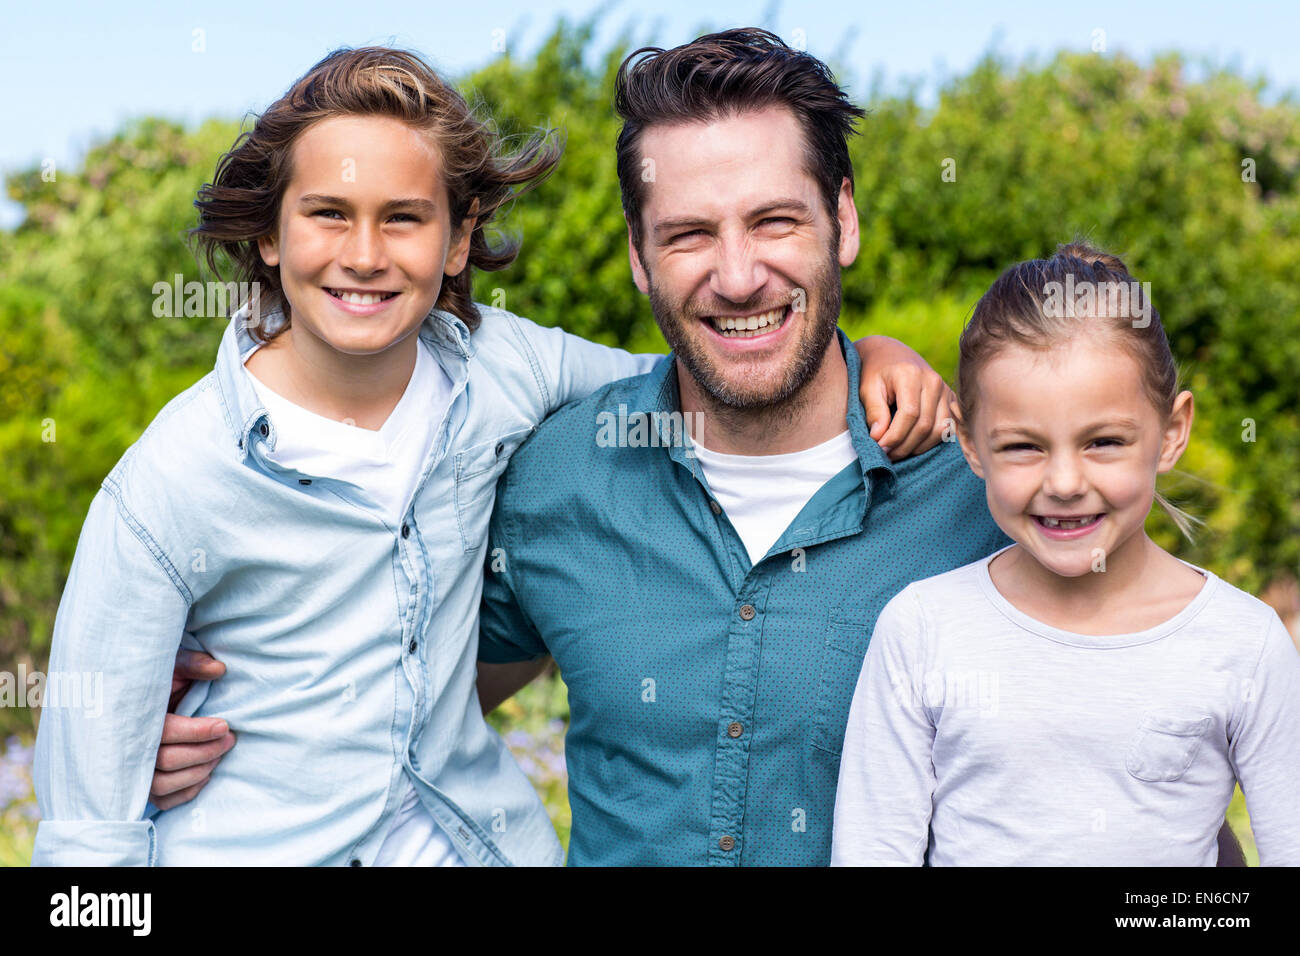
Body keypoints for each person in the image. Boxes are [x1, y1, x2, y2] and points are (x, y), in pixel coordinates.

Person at [152, 29, 1245, 866]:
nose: (735, 273)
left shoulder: (983, 493)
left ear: (843, 222)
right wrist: (187, 734)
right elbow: (401, 690)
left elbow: (1165, 772)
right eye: (687, 233)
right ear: (637, 255)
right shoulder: (553, 479)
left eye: (774, 221)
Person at [32, 45, 945, 866]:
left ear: (459, 237)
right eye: (689, 233)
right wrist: (138, 734)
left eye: (401, 217)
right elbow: (90, 816)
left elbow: (717, 364)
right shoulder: (174, 482)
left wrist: (876, 357)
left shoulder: (508, 371)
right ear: (269, 235)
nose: (363, 255)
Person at [831, 242, 1300, 866]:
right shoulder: (921, 629)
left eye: (1103, 442)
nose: (1065, 483)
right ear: (970, 443)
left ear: (1172, 432)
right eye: (1024, 446)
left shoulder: (1245, 643)